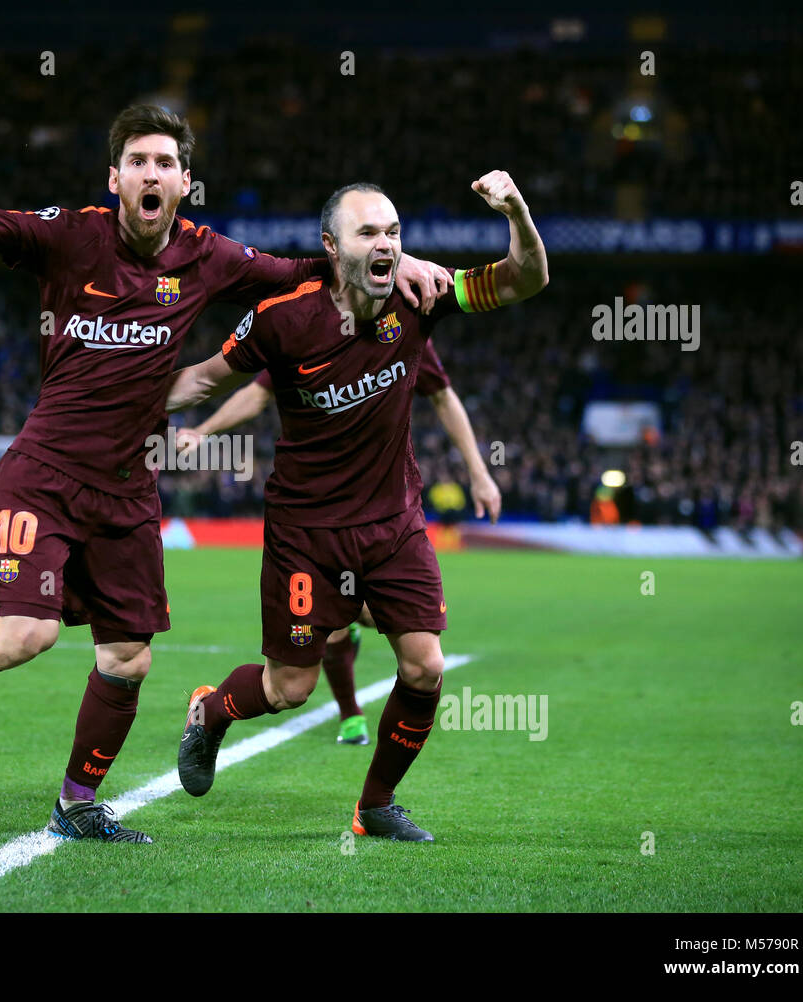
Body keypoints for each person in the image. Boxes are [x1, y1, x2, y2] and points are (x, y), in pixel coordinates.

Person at [0, 103, 452, 843]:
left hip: (131, 486)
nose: (151, 173)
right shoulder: (72, 236)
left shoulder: (206, 256)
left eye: (165, 163)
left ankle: (76, 807)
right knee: (27, 634)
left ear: (184, 182)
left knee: (127, 659)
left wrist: (399, 262)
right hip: (45, 472)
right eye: (138, 161)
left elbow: (303, 271)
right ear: (115, 177)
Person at [166, 171, 547, 841]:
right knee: (289, 690)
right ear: (330, 244)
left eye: (394, 232)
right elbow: (205, 379)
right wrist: (114, 399)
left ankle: (375, 806)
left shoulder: (420, 297)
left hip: (394, 525)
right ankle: (211, 712)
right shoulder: (284, 316)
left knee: (424, 665)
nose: (385, 244)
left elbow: (525, 282)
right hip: (306, 535)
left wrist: (515, 210)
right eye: (368, 232)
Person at [173, 339, 501, 745]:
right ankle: (348, 714)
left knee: (407, 641)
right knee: (300, 674)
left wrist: (479, 471)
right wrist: (203, 431)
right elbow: (257, 393)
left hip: (383, 523)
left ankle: (373, 790)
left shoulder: (405, 324)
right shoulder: (303, 327)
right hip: (314, 525)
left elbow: (443, 395)